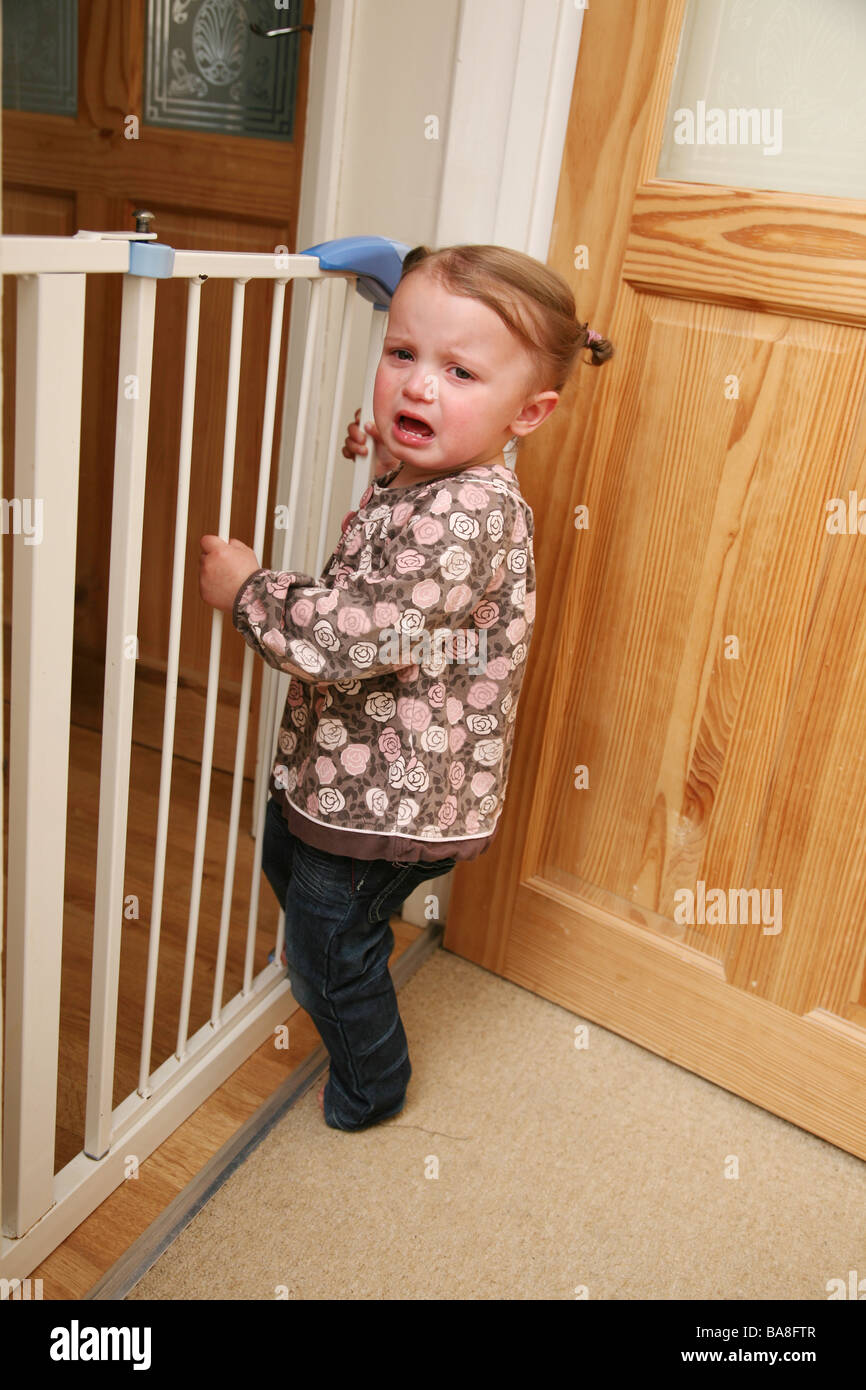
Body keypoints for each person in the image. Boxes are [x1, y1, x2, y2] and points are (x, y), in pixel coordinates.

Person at [198, 243, 613, 1130]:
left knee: (325, 950)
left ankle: (371, 1084)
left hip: (394, 802)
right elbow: (401, 514)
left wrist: (248, 589)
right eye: (402, 356)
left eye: (460, 371)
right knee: (295, 875)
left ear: (528, 413)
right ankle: (345, 947)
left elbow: (358, 634)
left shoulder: (471, 513)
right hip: (349, 778)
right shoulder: (436, 472)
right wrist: (377, 451)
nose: (419, 388)